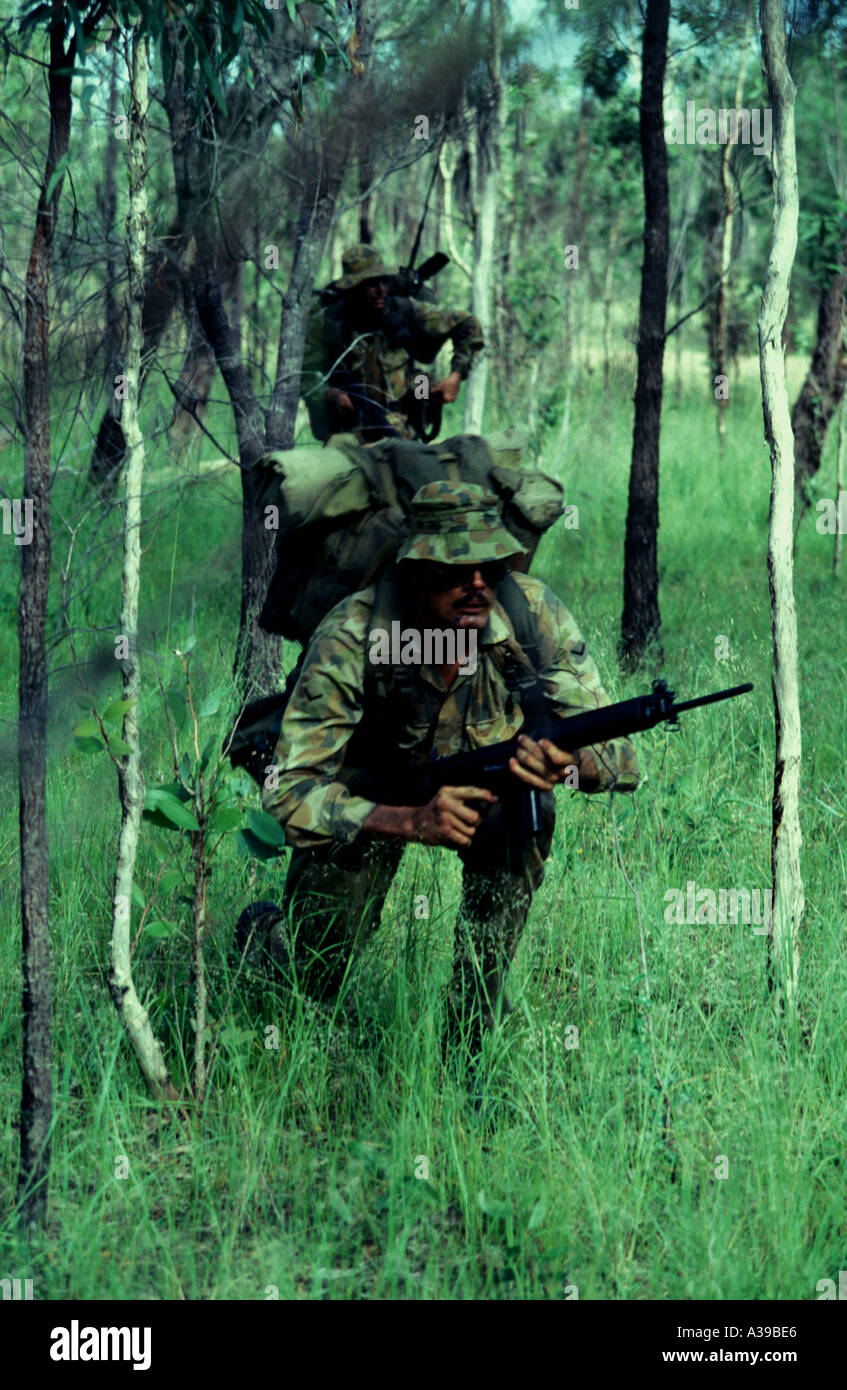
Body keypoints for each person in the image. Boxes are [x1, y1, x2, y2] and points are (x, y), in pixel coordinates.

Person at [249, 483, 639, 1059]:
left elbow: (622, 755)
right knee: (314, 973)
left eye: (489, 565)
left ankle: (470, 1033)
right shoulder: (354, 635)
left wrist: (569, 763)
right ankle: (269, 944)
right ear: (416, 569)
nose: (477, 584)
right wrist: (407, 822)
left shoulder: (531, 616)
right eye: (457, 569)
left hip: (477, 794)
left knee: (526, 815)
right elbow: (287, 796)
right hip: (368, 798)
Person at [301, 244, 484, 442]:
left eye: (384, 282)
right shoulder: (326, 323)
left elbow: (467, 323)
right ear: (353, 288)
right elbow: (304, 375)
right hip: (350, 430)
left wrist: (456, 376)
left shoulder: (401, 309)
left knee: (421, 380)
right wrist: (330, 394)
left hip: (402, 424)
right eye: (371, 284)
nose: (381, 290)